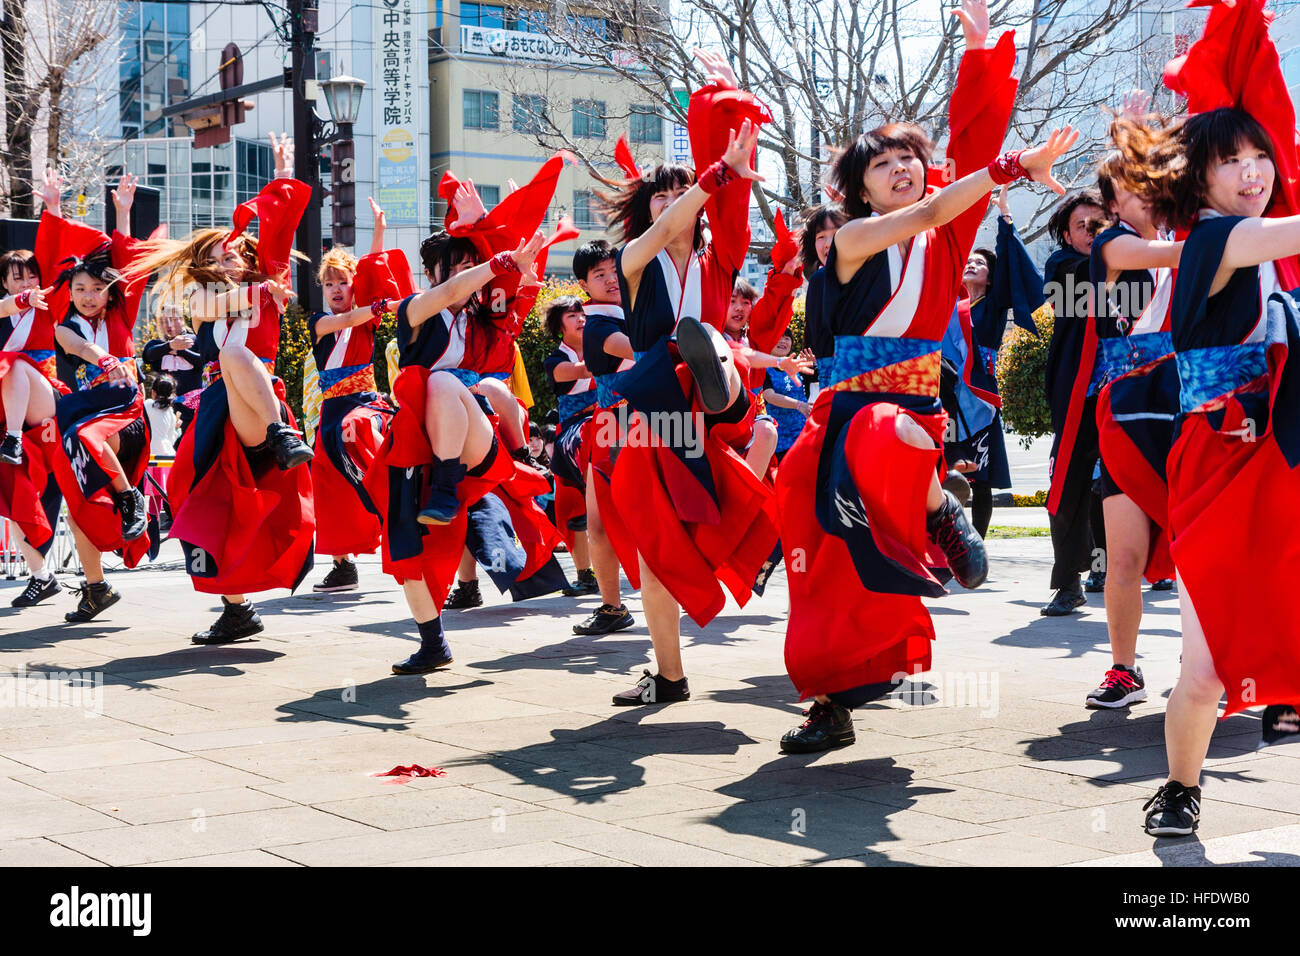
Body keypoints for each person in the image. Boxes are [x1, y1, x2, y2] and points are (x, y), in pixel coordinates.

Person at [776, 1, 1074, 754]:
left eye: (909, 155)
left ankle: (938, 501)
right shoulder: (851, 238)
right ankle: (829, 701)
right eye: (883, 163)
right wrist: (1003, 172)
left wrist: (980, 57)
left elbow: (967, 152)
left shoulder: (945, 239)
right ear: (862, 190)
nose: (902, 167)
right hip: (840, 417)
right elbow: (950, 192)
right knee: (824, 566)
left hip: (906, 418)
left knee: (887, 456)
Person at [1116, 0, 1300, 835]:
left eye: (1261, 156)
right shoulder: (1217, 239)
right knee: (1204, 665)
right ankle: (1181, 790)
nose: (1254, 171)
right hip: (1222, 462)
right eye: (1233, 160)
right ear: (1201, 179)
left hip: (1279, 456)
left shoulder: (1266, 251)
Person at [594, 50, 780, 706]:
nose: (677, 204)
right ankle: (669, 674)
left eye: (685, 194)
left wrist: (726, 103)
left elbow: (729, 206)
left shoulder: (721, 257)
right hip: (655, 421)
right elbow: (680, 216)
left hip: (714, 414)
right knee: (655, 554)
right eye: (663, 195)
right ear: (646, 209)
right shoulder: (634, 257)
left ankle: (717, 379)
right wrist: (712, 176)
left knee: (711, 353)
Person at [131, 132, 315, 643]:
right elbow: (207, 309)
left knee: (237, 354)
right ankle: (236, 608)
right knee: (194, 498)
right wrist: (257, 289)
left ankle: (281, 438)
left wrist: (281, 174)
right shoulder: (206, 301)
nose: (227, 260)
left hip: (258, 404)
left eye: (234, 253)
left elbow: (280, 229)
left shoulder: (268, 286)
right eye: (217, 256)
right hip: (216, 407)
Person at [352, 229, 550, 674]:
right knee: (406, 548)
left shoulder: (482, 320)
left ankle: (478, 477)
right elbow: (452, 291)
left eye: (470, 265)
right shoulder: (416, 309)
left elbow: (517, 294)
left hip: (473, 438)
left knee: (451, 381)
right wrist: (495, 263)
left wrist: (515, 260)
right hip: (414, 440)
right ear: (432, 273)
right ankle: (432, 642)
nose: (467, 276)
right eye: (456, 267)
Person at [1085, 107, 1184, 709]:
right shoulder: (1113, 244)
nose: (1137, 188)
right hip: (1126, 416)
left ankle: (1207, 666)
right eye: (1125, 181)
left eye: (1146, 174)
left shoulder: (1199, 232)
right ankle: (1124, 667)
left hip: (1193, 407)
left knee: (1201, 550)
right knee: (1123, 554)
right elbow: (1175, 257)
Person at [40, 169, 153, 622]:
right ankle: (95, 588)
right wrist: (52, 209)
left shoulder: (121, 320)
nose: (88, 296)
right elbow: (76, 346)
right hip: (83, 415)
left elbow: (128, 264)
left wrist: (122, 214)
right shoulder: (64, 326)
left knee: (86, 437)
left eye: (97, 289)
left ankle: (130, 501)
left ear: (110, 293)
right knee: (76, 508)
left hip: (124, 414)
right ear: (68, 292)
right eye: (79, 289)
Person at [306, 199, 395, 594]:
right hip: (331, 408)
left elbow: (374, 273)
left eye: (343, 281)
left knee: (357, 434)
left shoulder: (367, 317)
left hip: (364, 405)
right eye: (329, 283)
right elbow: (345, 319)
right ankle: (342, 566)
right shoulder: (321, 322)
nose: (336, 289)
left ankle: (394, 514)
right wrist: (373, 308)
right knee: (326, 485)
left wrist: (378, 232)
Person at [1041, 187, 1111, 615]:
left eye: (1098, 225)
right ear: (1067, 236)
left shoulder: (1131, 261)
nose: (1090, 232)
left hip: (1124, 387)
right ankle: (1069, 582)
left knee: (1121, 486)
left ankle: (1118, 567)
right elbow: (1085, 283)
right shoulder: (1062, 266)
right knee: (1067, 487)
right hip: (1078, 391)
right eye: (1081, 226)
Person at [573, 238, 637, 636]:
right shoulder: (597, 324)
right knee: (599, 524)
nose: (611, 279)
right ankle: (611, 605)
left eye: (615, 271)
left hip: (648, 422)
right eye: (600, 275)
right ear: (584, 285)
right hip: (616, 423)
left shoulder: (636, 310)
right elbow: (642, 350)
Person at [0, 250, 63, 608]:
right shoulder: (7, 310)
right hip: (12, 417)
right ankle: (42, 576)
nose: (26, 284)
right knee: (15, 502)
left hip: (45, 405)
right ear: (5, 284)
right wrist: (17, 301)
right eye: (17, 278)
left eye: (30, 277)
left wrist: (53, 207)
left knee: (18, 367)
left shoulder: (49, 302)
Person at [540, 294, 600, 596]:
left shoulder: (605, 345)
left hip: (607, 427)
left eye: (584, 313)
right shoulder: (555, 360)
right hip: (572, 436)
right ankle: (584, 574)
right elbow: (580, 371)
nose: (581, 319)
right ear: (559, 325)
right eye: (572, 315)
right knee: (571, 508)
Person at [759, 330, 812, 462]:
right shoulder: (763, 369)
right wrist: (798, 405)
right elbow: (769, 396)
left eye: (787, 338)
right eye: (778, 337)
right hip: (780, 440)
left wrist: (815, 365)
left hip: (803, 434)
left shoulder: (798, 365)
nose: (783, 341)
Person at [144, 374, 181, 457]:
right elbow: (171, 440)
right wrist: (177, 429)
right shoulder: (170, 413)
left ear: (153, 392)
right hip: (167, 455)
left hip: (148, 454)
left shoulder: (147, 405)